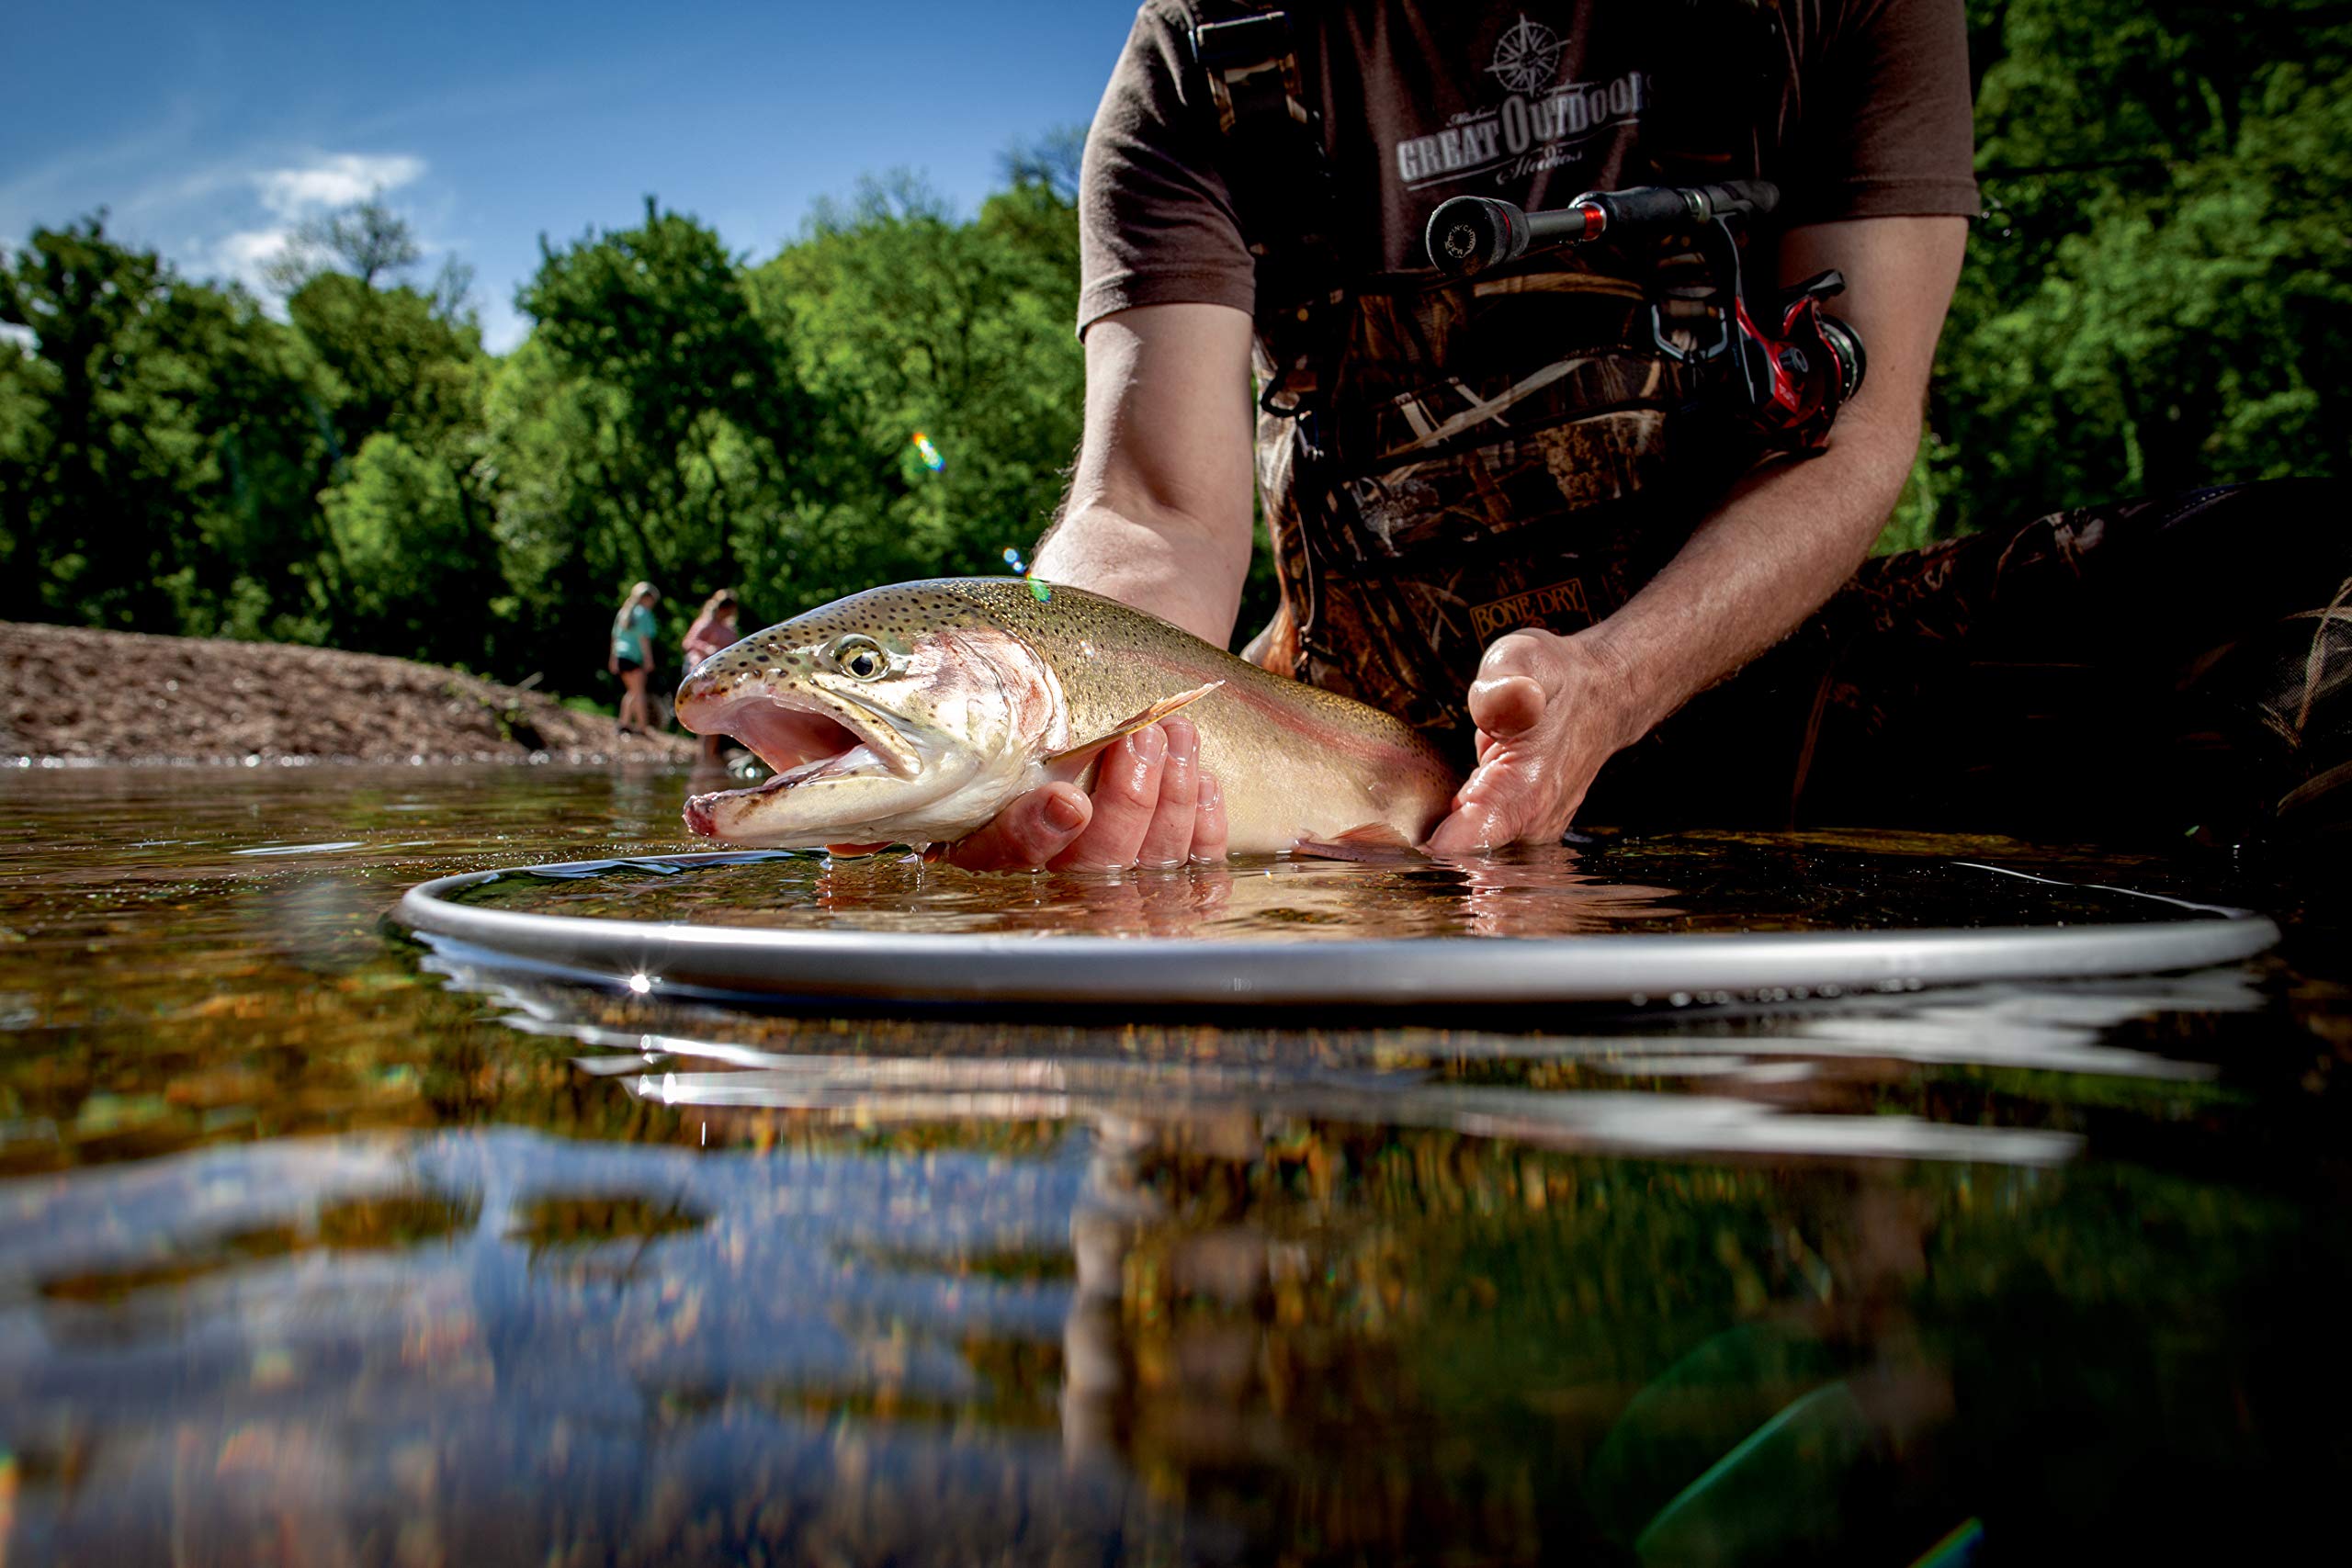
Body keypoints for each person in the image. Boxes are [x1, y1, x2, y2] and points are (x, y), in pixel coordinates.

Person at [942, 1, 2346, 873]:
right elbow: (1154, 521)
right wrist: (1050, 735)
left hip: (1777, 676)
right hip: (1378, 742)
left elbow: (1851, 441)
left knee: (2301, 583)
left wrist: (1609, 683)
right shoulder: (1210, 44)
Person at [682, 589, 744, 764]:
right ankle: (704, 758)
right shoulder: (706, 623)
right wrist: (707, 648)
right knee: (707, 717)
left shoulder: (729, 627)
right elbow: (688, 642)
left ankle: (709, 758)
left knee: (717, 720)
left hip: (722, 679)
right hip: (704, 677)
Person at [608, 581, 662, 736]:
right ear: (647, 598)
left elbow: (615, 637)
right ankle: (642, 726)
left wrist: (613, 659)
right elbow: (643, 639)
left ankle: (623, 723)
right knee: (639, 692)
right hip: (634, 657)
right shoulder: (644, 613)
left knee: (633, 691)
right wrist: (648, 659)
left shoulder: (624, 612)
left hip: (621, 656)